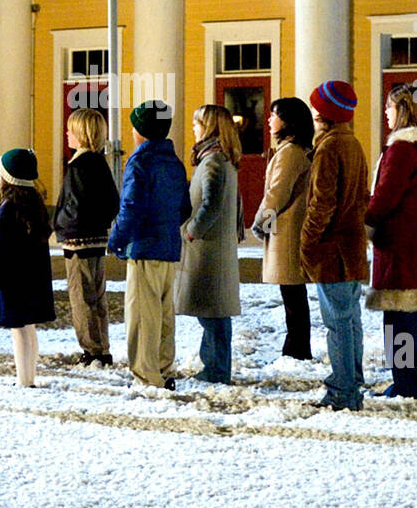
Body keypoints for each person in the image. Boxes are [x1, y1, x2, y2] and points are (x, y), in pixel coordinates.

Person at [365, 83, 417, 398]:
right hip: (416, 239)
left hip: (399, 241)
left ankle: (407, 386)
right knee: (415, 319)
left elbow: (385, 197)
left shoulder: (400, 149)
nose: (386, 113)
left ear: (403, 110)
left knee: (401, 319)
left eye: (389, 107)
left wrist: (365, 225)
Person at [107, 100, 192, 391]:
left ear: (140, 130)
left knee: (143, 318)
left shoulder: (140, 161)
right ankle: (164, 369)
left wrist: (117, 239)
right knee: (165, 315)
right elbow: (184, 208)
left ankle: (146, 377)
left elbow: (131, 206)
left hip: (144, 248)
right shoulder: (174, 162)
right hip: (169, 248)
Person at [299, 80, 369, 411]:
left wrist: (308, 239)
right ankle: (352, 382)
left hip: (333, 248)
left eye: (317, 109)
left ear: (326, 113)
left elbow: (322, 203)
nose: (313, 115)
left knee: (337, 321)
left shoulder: (329, 148)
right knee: (350, 318)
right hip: (351, 245)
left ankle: (343, 389)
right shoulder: (352, 143)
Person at [176, 105, 243, 384]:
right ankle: (213, 365)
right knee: (211, 311)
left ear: (210, 127)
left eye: (197, 123)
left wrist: (191, 231)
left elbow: (211, 204)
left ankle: (217, 369)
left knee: (213, 313)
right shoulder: (217, 159)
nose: (193, 128)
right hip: (211, 247)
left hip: (208, 248)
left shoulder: (214, 160)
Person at [53, 108, 120, 366]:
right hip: (97, 238)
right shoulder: (100, 163)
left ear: (81, 134)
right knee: (97, 295)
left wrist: (58, 223)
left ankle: (92, 351)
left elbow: (72, 205)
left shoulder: (78, 166)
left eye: (71, 129)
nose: (66, 134)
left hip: (77, 239)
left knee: (81, 297)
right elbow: (113, 201)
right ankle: (101, 346)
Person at [0, 149, 55, 387]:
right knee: (29, 328)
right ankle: (29, 377)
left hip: (13, 281)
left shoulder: (9, 207)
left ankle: (24, 380)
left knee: (19, 331)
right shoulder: (34, 203)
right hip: (33, 279)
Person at [251, 97, 313, 360]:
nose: (269, 119)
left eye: (274, 115)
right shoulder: (292, 151)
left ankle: (296, 348)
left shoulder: (289, 153)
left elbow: (277, 193)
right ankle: (297, 347)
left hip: (287, 231)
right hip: (287, 228)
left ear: (288, 121)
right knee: (293, 294)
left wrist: (260, 222)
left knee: (293, 295)